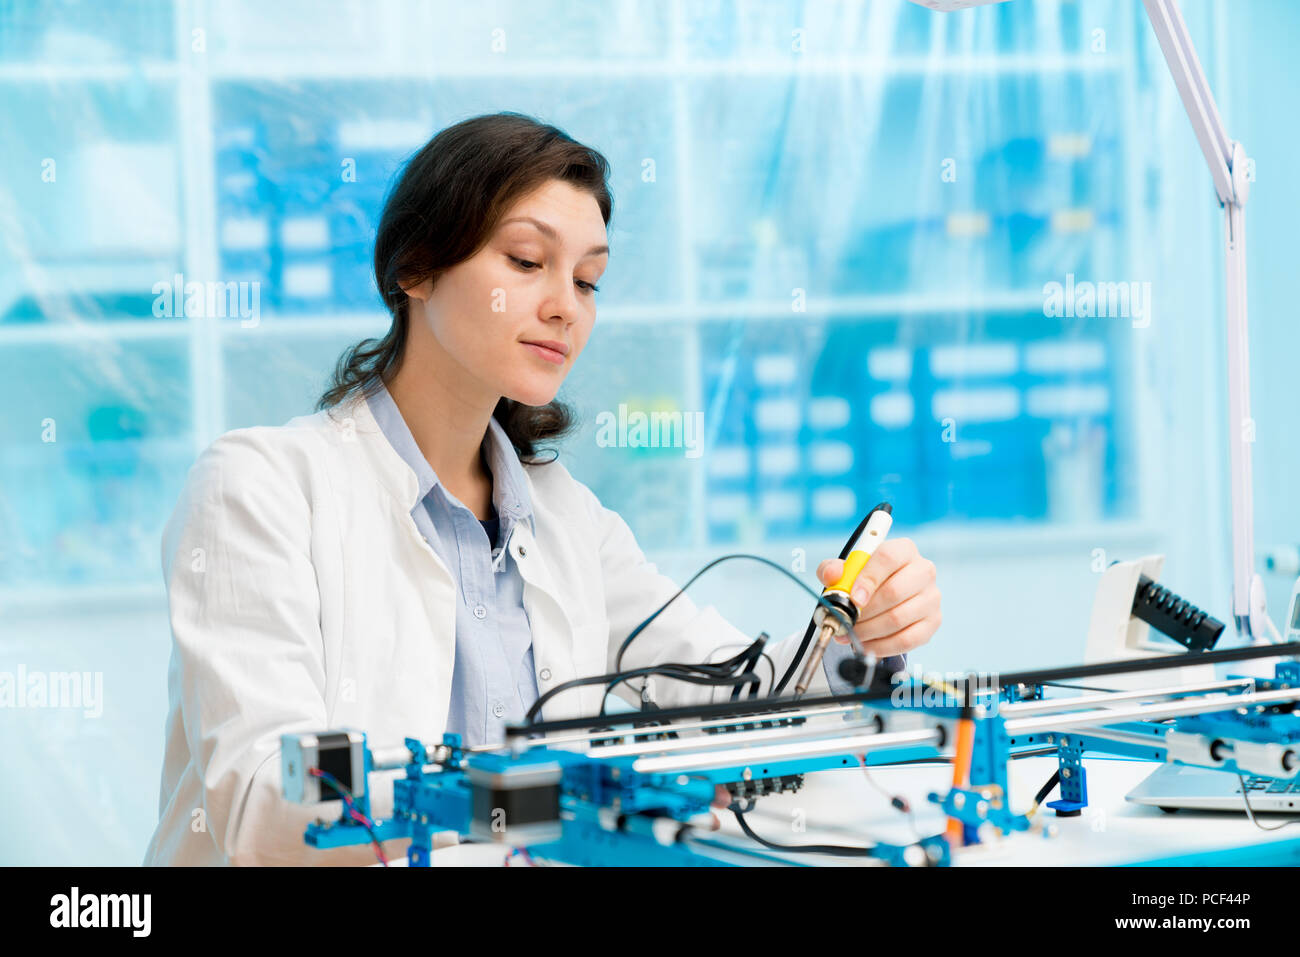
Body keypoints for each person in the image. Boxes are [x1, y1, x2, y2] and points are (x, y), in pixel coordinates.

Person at [144, 112, 942, 866]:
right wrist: (537, 801)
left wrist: (861, 639)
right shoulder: (261, 488)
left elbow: (748, 707)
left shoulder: (565, 518)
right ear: (416, 266)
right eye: (527, 262)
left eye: (588, 280)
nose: (565, 306)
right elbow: (260, 799)